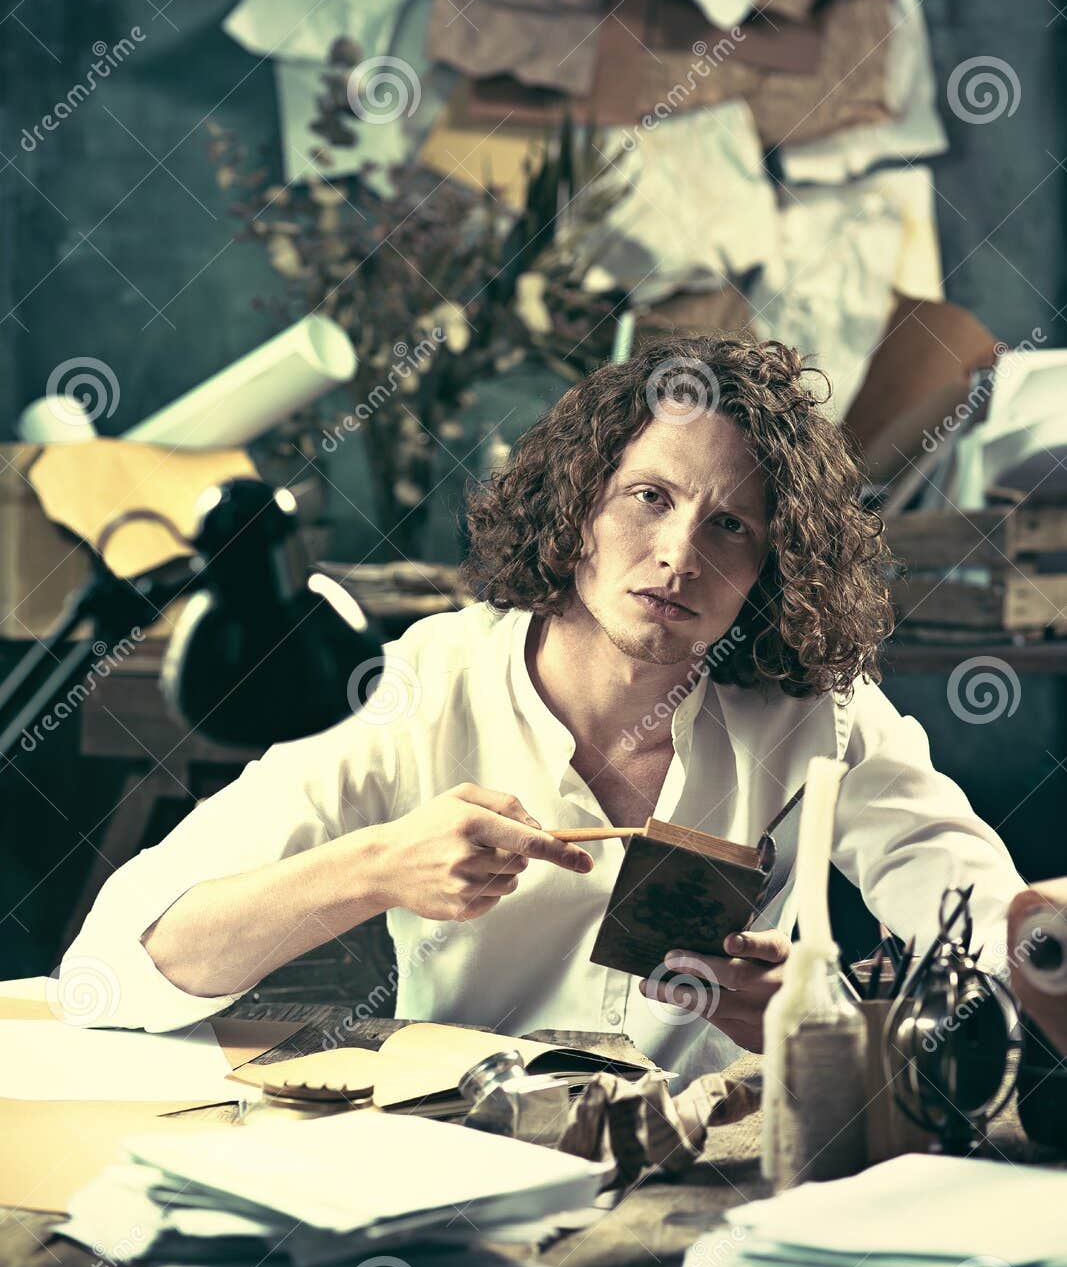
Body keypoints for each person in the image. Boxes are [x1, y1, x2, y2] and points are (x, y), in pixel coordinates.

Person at [62, 335, 1024, 1081]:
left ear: (771, 567)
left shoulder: (822, 717)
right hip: (464, 1162)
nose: (680, 554)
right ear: (574, 507)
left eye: (730, 525)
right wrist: (371, 869)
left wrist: (822, 1017)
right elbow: (110, 969)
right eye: (648, 496)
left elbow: (1005, 941)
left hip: (710, 1169)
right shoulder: (416, 687)